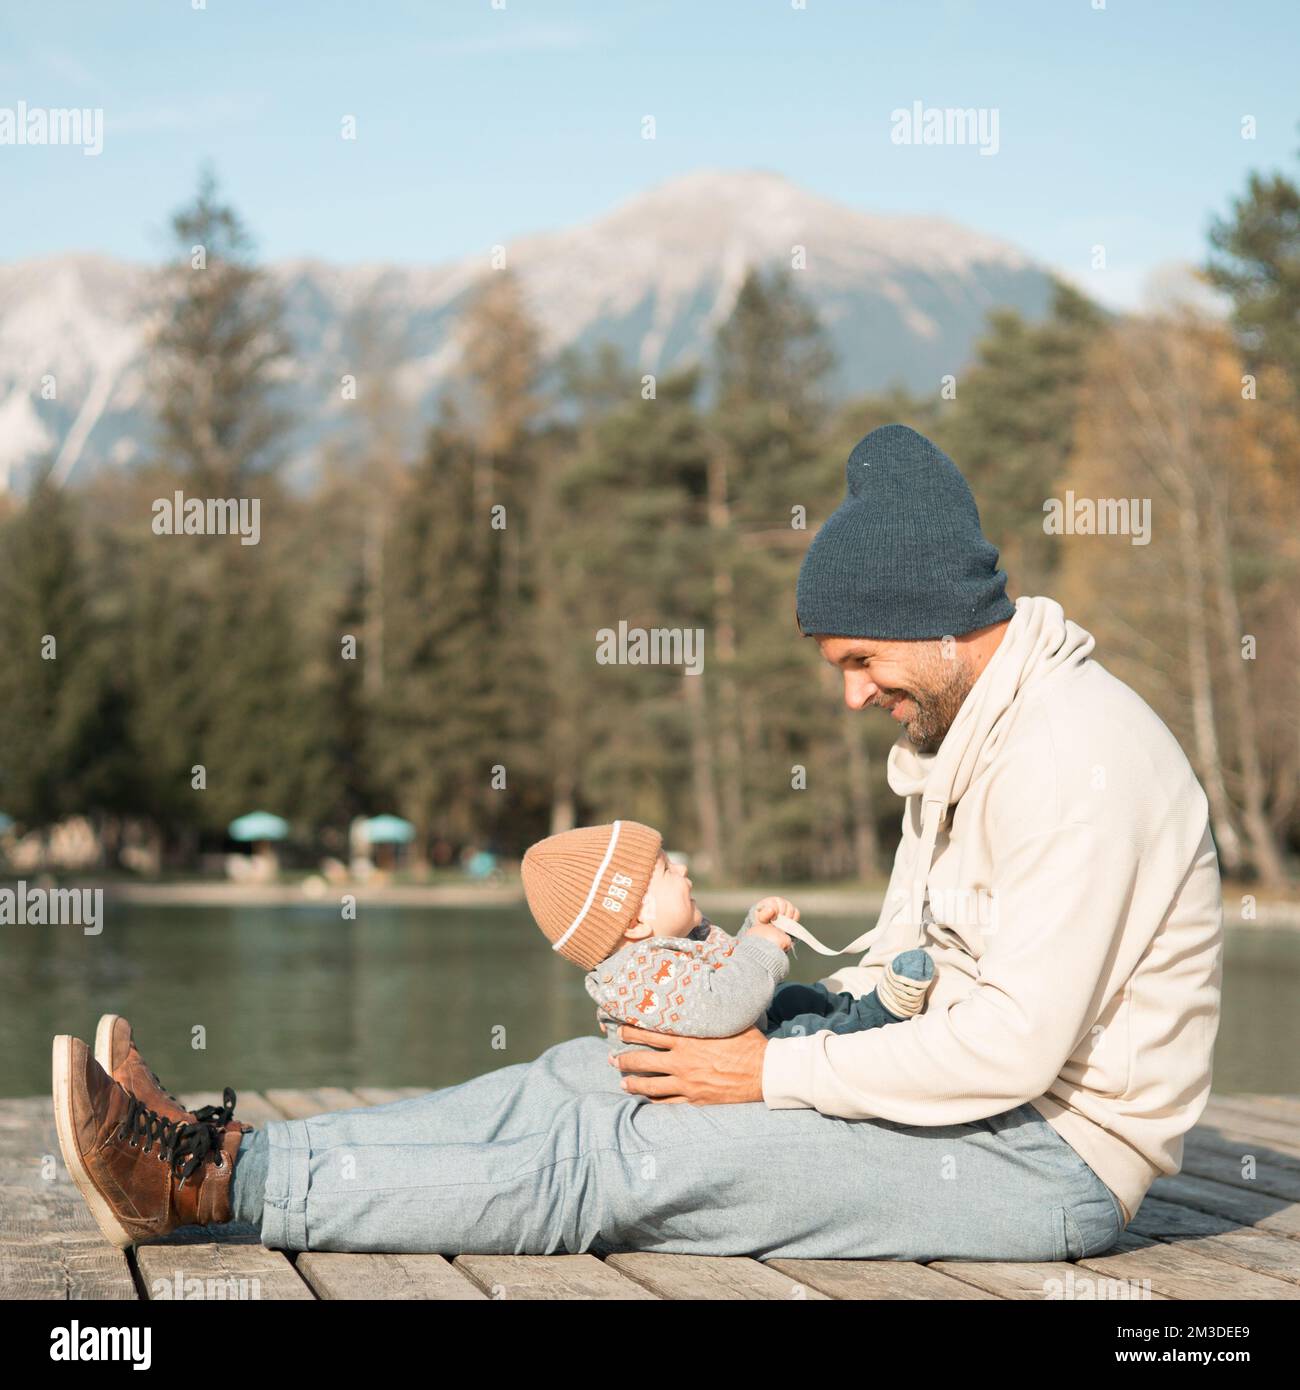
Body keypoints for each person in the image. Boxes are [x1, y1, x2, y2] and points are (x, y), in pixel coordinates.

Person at [52, 424, 1222, 1262]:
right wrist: (774, 1014)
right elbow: (913, 974)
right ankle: (228, 1145)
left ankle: (202, 1191)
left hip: (1041, 1160)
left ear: (932, 620)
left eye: (860, 663)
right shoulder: (966, 733)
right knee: (590, 1073)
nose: (853, 699)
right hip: (961, 1099)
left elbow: (1013, 1050)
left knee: (624, 1156)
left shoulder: (1076, 758)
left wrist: (762, 1070)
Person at [520, 824, 936, 1050]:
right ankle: (878, 1015)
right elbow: (722, 1008)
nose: (682, 871)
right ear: (633, 923)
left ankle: (851, 1005)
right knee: (800, 1031)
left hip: (737, 1027)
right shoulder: (637, 978)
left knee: (795, 998)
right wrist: (760, 948)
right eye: (666, 870)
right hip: (720, 1055)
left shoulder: (662, 947)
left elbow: (719, 973)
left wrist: (754, 927)